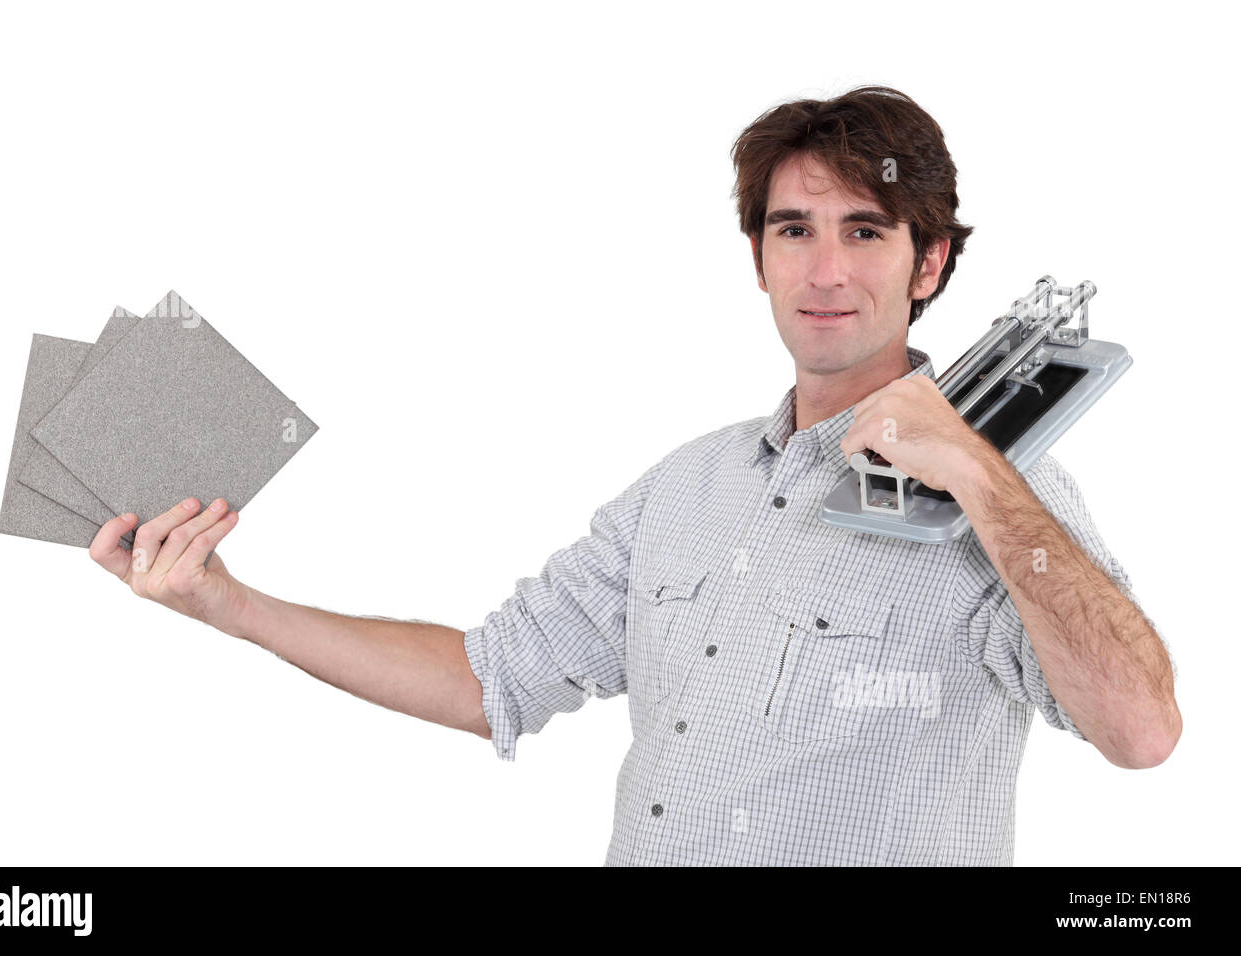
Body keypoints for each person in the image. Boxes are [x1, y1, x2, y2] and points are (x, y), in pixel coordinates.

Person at [89, 85, 1179, 866]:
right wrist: (228, 603)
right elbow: (488, 675)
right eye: (793, 229)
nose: (827, 269)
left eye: (867, 230)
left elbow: (1141, 730)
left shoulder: (1008, 500)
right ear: (756, 258)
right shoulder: (686, 488)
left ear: (929, 261)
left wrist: (977, 474)